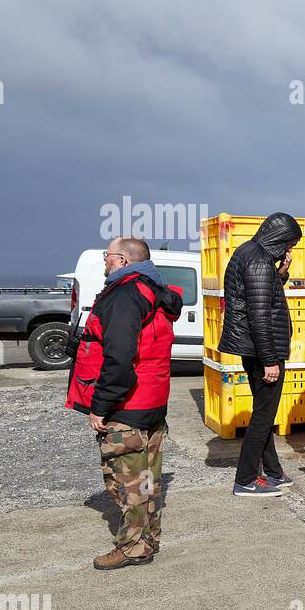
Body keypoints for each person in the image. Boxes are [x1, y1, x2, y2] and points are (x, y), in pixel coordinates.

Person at [65, 237, 183, 570]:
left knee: (128, 482)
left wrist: (100, 405)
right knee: (147, 479)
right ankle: (148, 538)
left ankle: (133, 547)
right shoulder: (154, 292)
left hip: (128, 407)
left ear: (122, 260)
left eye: (108, 255)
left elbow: (119, 359)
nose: (104, 261)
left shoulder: (124, 296)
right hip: (152, 402)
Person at [218, 212, 302, 497]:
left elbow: (259, 294)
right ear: (279, 239)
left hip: (251, 347)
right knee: (264, 416)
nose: (289, 249)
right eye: (290, 243)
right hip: (262, 350)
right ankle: (245, 479)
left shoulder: (250, 253)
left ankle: (273, 471)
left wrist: (281, 273)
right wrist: (270, 360)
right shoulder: (259, 262)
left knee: (263, 413)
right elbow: (259, 315)